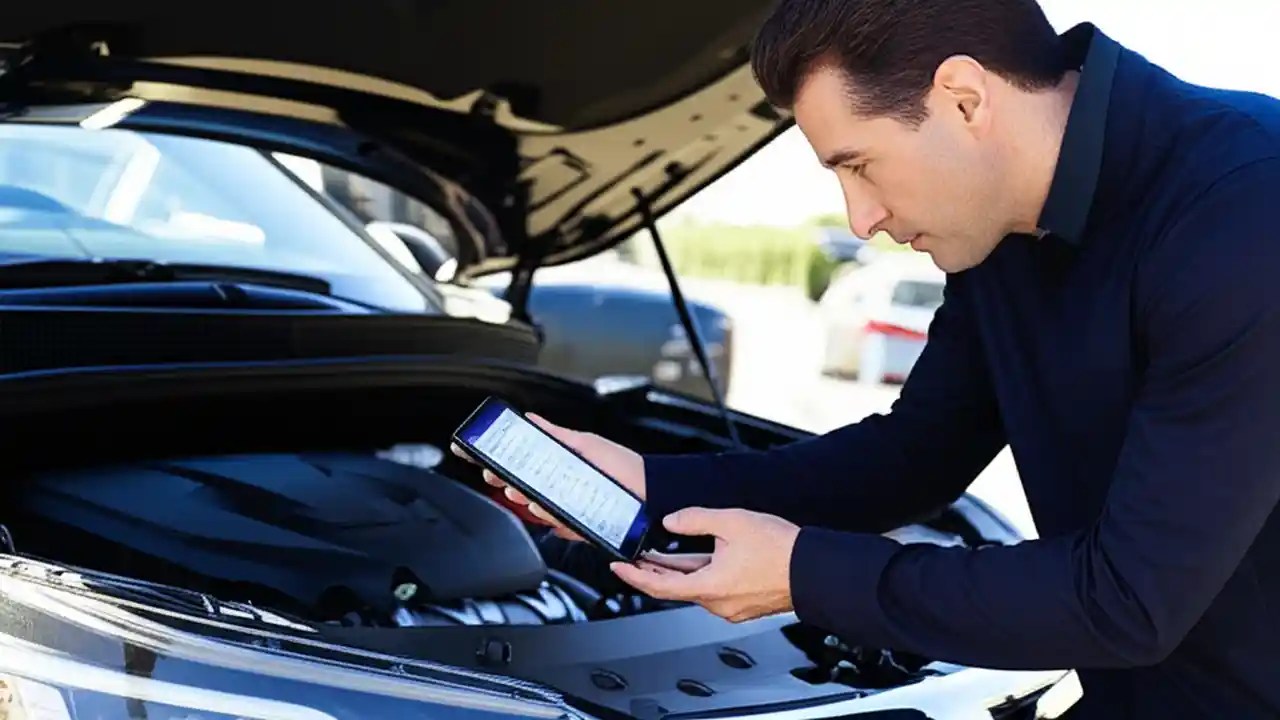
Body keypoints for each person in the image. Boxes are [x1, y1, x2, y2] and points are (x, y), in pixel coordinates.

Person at [455, 0, 1280, 717]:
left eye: (858, 164)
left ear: (964, 99)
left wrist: (807, 575)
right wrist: (652, 485)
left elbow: (1127, 601)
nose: (860, 219)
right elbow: (911, 457)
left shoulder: (1243, 214)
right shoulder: (999, 225)